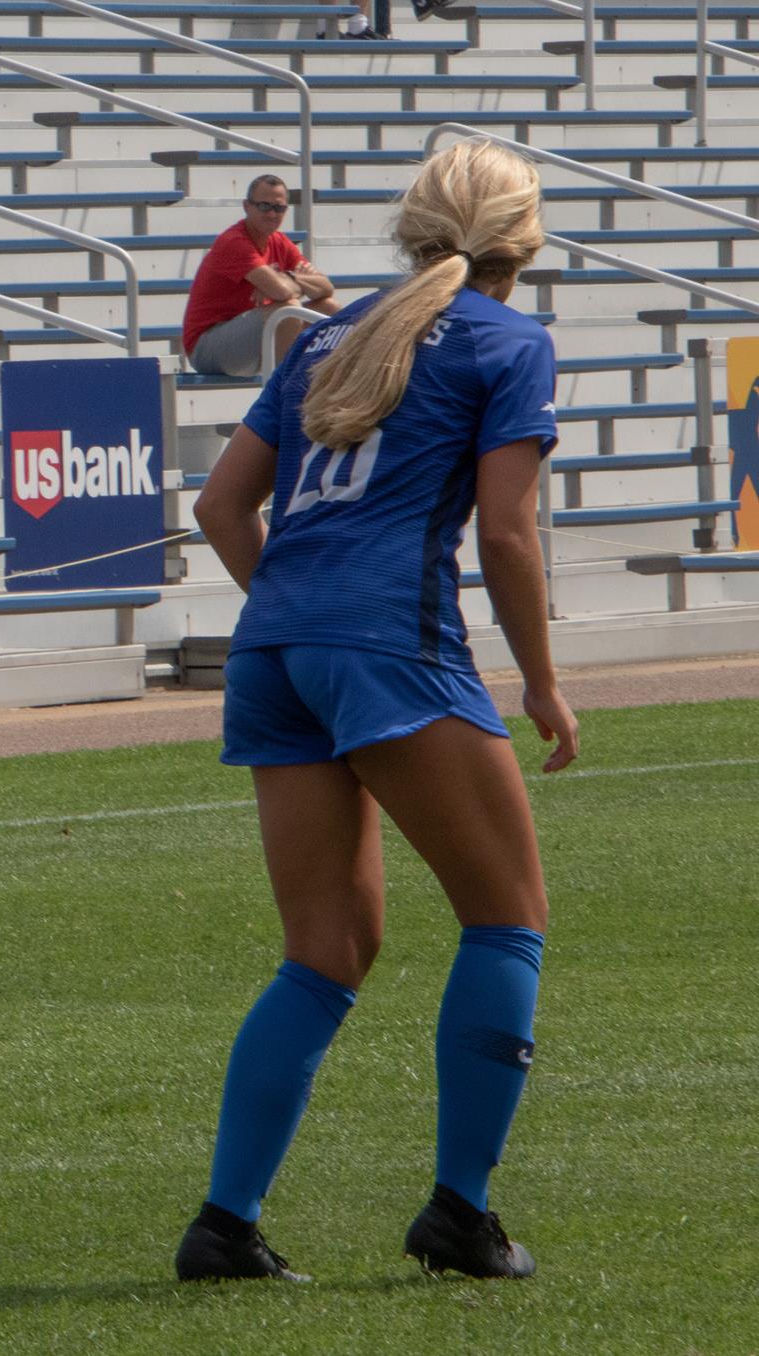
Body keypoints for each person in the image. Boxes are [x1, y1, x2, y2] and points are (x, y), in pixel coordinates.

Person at [175, 137, 578, 1283]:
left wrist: (300, 615)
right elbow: (503, 532)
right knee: (504, 920)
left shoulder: (331, 332)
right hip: (386, 647)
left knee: (324, 952)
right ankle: (458, 1212)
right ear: (521, 242)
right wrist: (542, 684)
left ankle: (224, 1225)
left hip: (274, 650)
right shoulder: (509, 340)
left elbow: (217, 506)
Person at [182, 176, 341, 380]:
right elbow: (282, 292)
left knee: (329, 308)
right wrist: (288, 284)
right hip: (207, 347)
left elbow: (326, 288)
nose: (272, 214)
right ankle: (283, 393)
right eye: (264, 206)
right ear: (247, 207)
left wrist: (287, 277)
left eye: (279, 208)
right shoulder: (234, 241)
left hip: (249, 338)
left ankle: (322, 386)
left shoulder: (279, 241)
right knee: (287, 308)